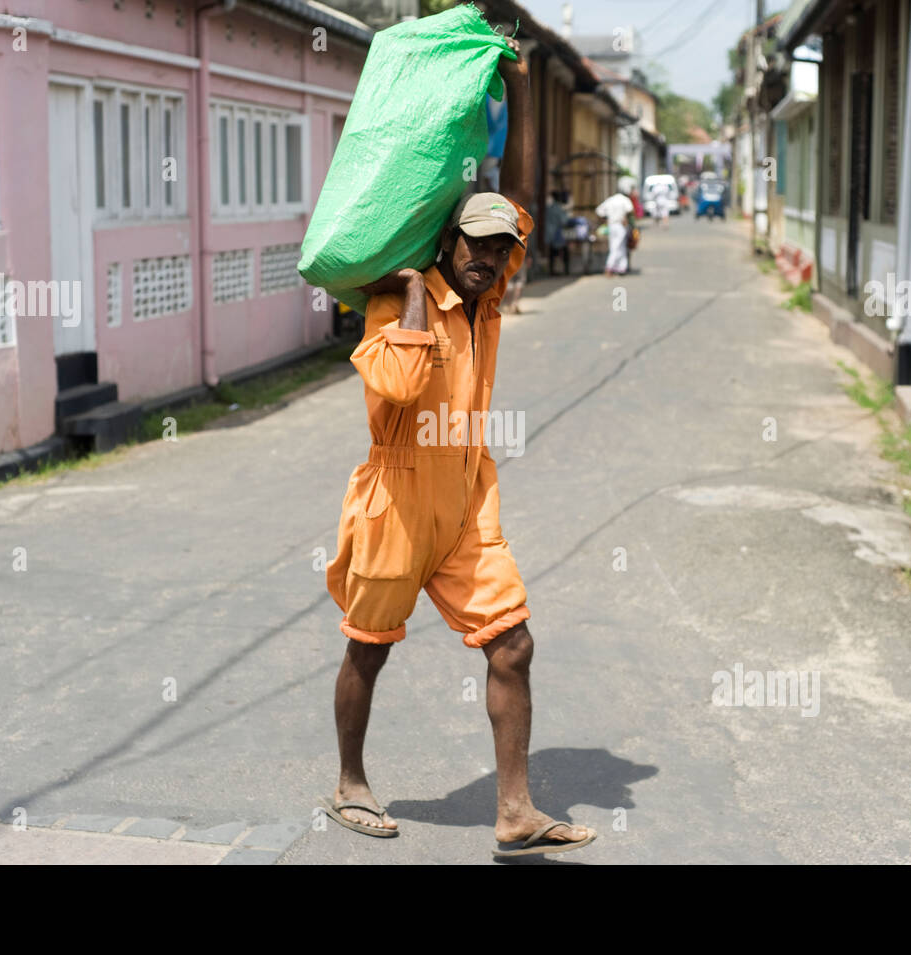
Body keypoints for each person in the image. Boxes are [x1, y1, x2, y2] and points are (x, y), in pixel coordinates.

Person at [322, 34, 597, 859]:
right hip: (398, 498)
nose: (486, 257)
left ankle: (515, 811)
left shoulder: (489, 303)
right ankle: (349, 783)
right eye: (472, 243)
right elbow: (395, 392)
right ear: (446, 244)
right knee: (368, 648)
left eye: (499, 247)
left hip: (469, 493)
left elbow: (485, 156)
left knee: (513, 641)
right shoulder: (394, 306)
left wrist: (499, 70)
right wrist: (409, 292)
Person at [595, 188, 635, 276]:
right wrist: (625, 217)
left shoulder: (610, 200)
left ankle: (621, 267)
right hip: (621, 225)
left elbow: (599, 211)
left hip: (611, 225)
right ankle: (609, 267)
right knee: (617, 246)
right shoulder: (625, 200)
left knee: (618, 246)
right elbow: (630, 209)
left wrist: (606, 218)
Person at [545, 189, 570, 276]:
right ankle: (565, 270)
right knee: (563, 251)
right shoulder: (559, 208)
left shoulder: (549, 207)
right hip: (556, 233)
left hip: (549, 233)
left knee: (552, 253)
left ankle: (552, 270)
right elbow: (564, 221)